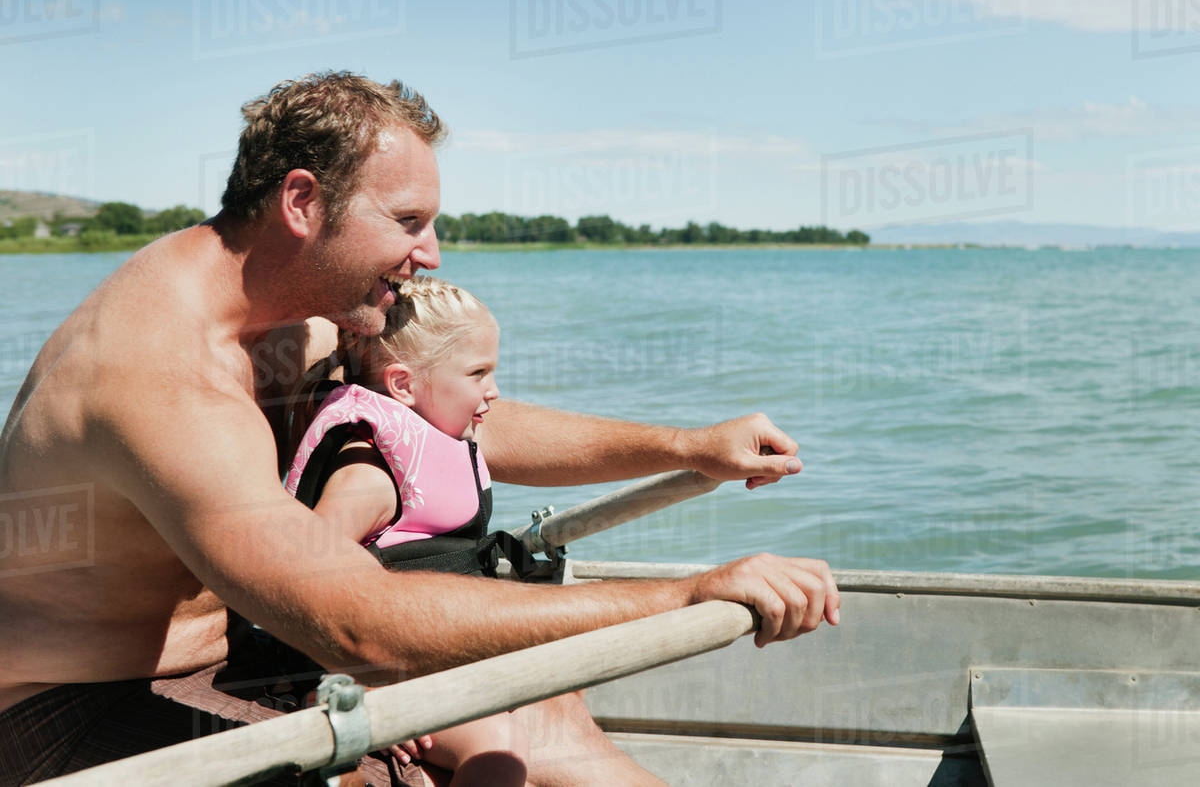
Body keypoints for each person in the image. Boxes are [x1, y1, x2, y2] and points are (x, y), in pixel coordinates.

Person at [0, 72, 839, 786]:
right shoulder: (163, 378)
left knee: (535, 703)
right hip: (71, 709)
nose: (430, 252)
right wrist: (686, 597)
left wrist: (688, 448)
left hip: (237, 655)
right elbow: (354, 623)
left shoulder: (296, 316)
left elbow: (439, 430)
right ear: (302, 201)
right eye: (406, 221)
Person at [285, 276, 529, 785]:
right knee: (498, 750)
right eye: (478, 373)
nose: (494, 391)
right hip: (383, 670)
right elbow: (296, 576)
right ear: (403, 385)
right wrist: (354, 687)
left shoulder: (434, 442)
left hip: (438, 657)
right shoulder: (371, 475)